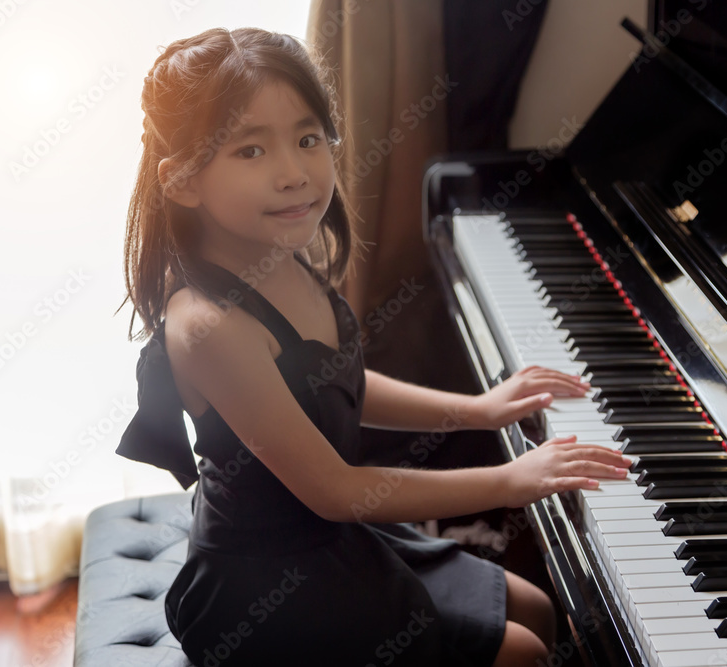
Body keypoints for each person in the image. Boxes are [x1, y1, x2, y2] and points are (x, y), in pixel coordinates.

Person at [116, 27, 630, 667]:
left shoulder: (276, 250)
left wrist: (480, 409)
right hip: (264, 584)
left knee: (537, 607)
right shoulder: (209, 327)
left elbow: (332, 381)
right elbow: (335, 489)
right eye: (250, 151)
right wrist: (507, 481)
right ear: (184, 181)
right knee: (522, 650)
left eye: (308, 140)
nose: (294, 173)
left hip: (331, 536)